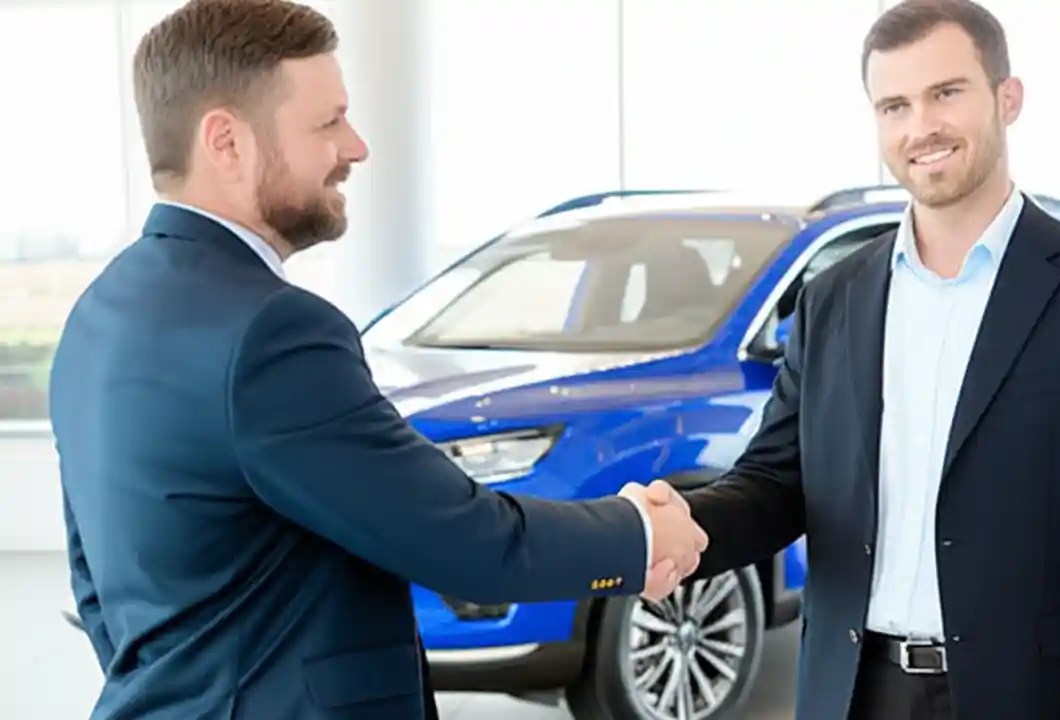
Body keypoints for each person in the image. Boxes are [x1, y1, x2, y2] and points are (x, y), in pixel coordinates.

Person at [49, 1, 704, 718]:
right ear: (226, 142)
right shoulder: (273, 331)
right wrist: (638, 535)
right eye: (328, 122)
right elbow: (462, 541)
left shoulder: (98, 315)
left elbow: (98, 583)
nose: (356, 147)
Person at [642, 1, 1060, 718]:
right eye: (894, 105)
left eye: (946, 93)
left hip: (1027, 699)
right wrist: (683, 526)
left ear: (1008, 98)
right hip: (853, 691)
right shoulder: (834, 297)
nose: (920, 127)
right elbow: (778, 483)